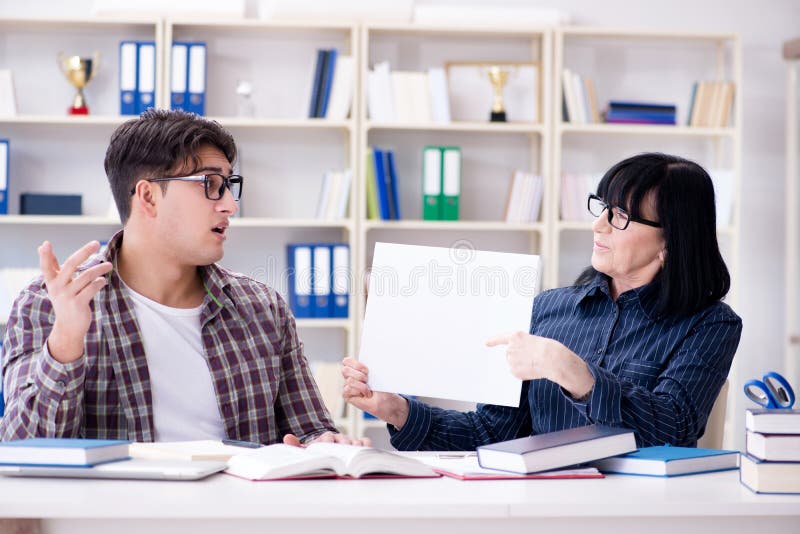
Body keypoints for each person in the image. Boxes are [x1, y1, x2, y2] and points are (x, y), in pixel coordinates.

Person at [0, 108, 367, 447]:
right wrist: (65, 343)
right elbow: (21, 451)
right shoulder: (51, 303)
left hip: (240, 514)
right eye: (210, 184)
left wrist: (325, 446)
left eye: (228, 185)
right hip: (117, 516)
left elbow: (312, 431)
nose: (230, 205)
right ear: (148, 197)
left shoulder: (263, 309)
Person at [342, 152, 742, 449]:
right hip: (545, 506)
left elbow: (672, 428)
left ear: (671, 240)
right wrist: (396, 410)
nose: (598, 224)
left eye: (619, 215)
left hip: (640, 511)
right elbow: (494, 433)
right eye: (602, 208)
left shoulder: (710, 324)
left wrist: (574, 373)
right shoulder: (549, 309)